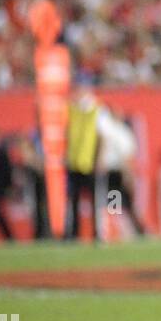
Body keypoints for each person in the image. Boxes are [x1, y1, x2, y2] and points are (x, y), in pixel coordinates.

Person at [96, 107, 145, 238]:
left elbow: (126, 157)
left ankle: (132, 229)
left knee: (121, 203)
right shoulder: (116, 131)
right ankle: (121, 229)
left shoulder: (121, 133)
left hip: (118, 171)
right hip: (116, 171)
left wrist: (128, 174)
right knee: (120, 204)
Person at [64, 83, 101, 241]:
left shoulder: (95, 111)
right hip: (79, 163)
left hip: (101, 165)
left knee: (113, 197)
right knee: (75, 199)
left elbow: (101, 139)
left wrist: (98, 159)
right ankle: (76, 232)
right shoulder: (74, 111)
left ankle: (107, 228)